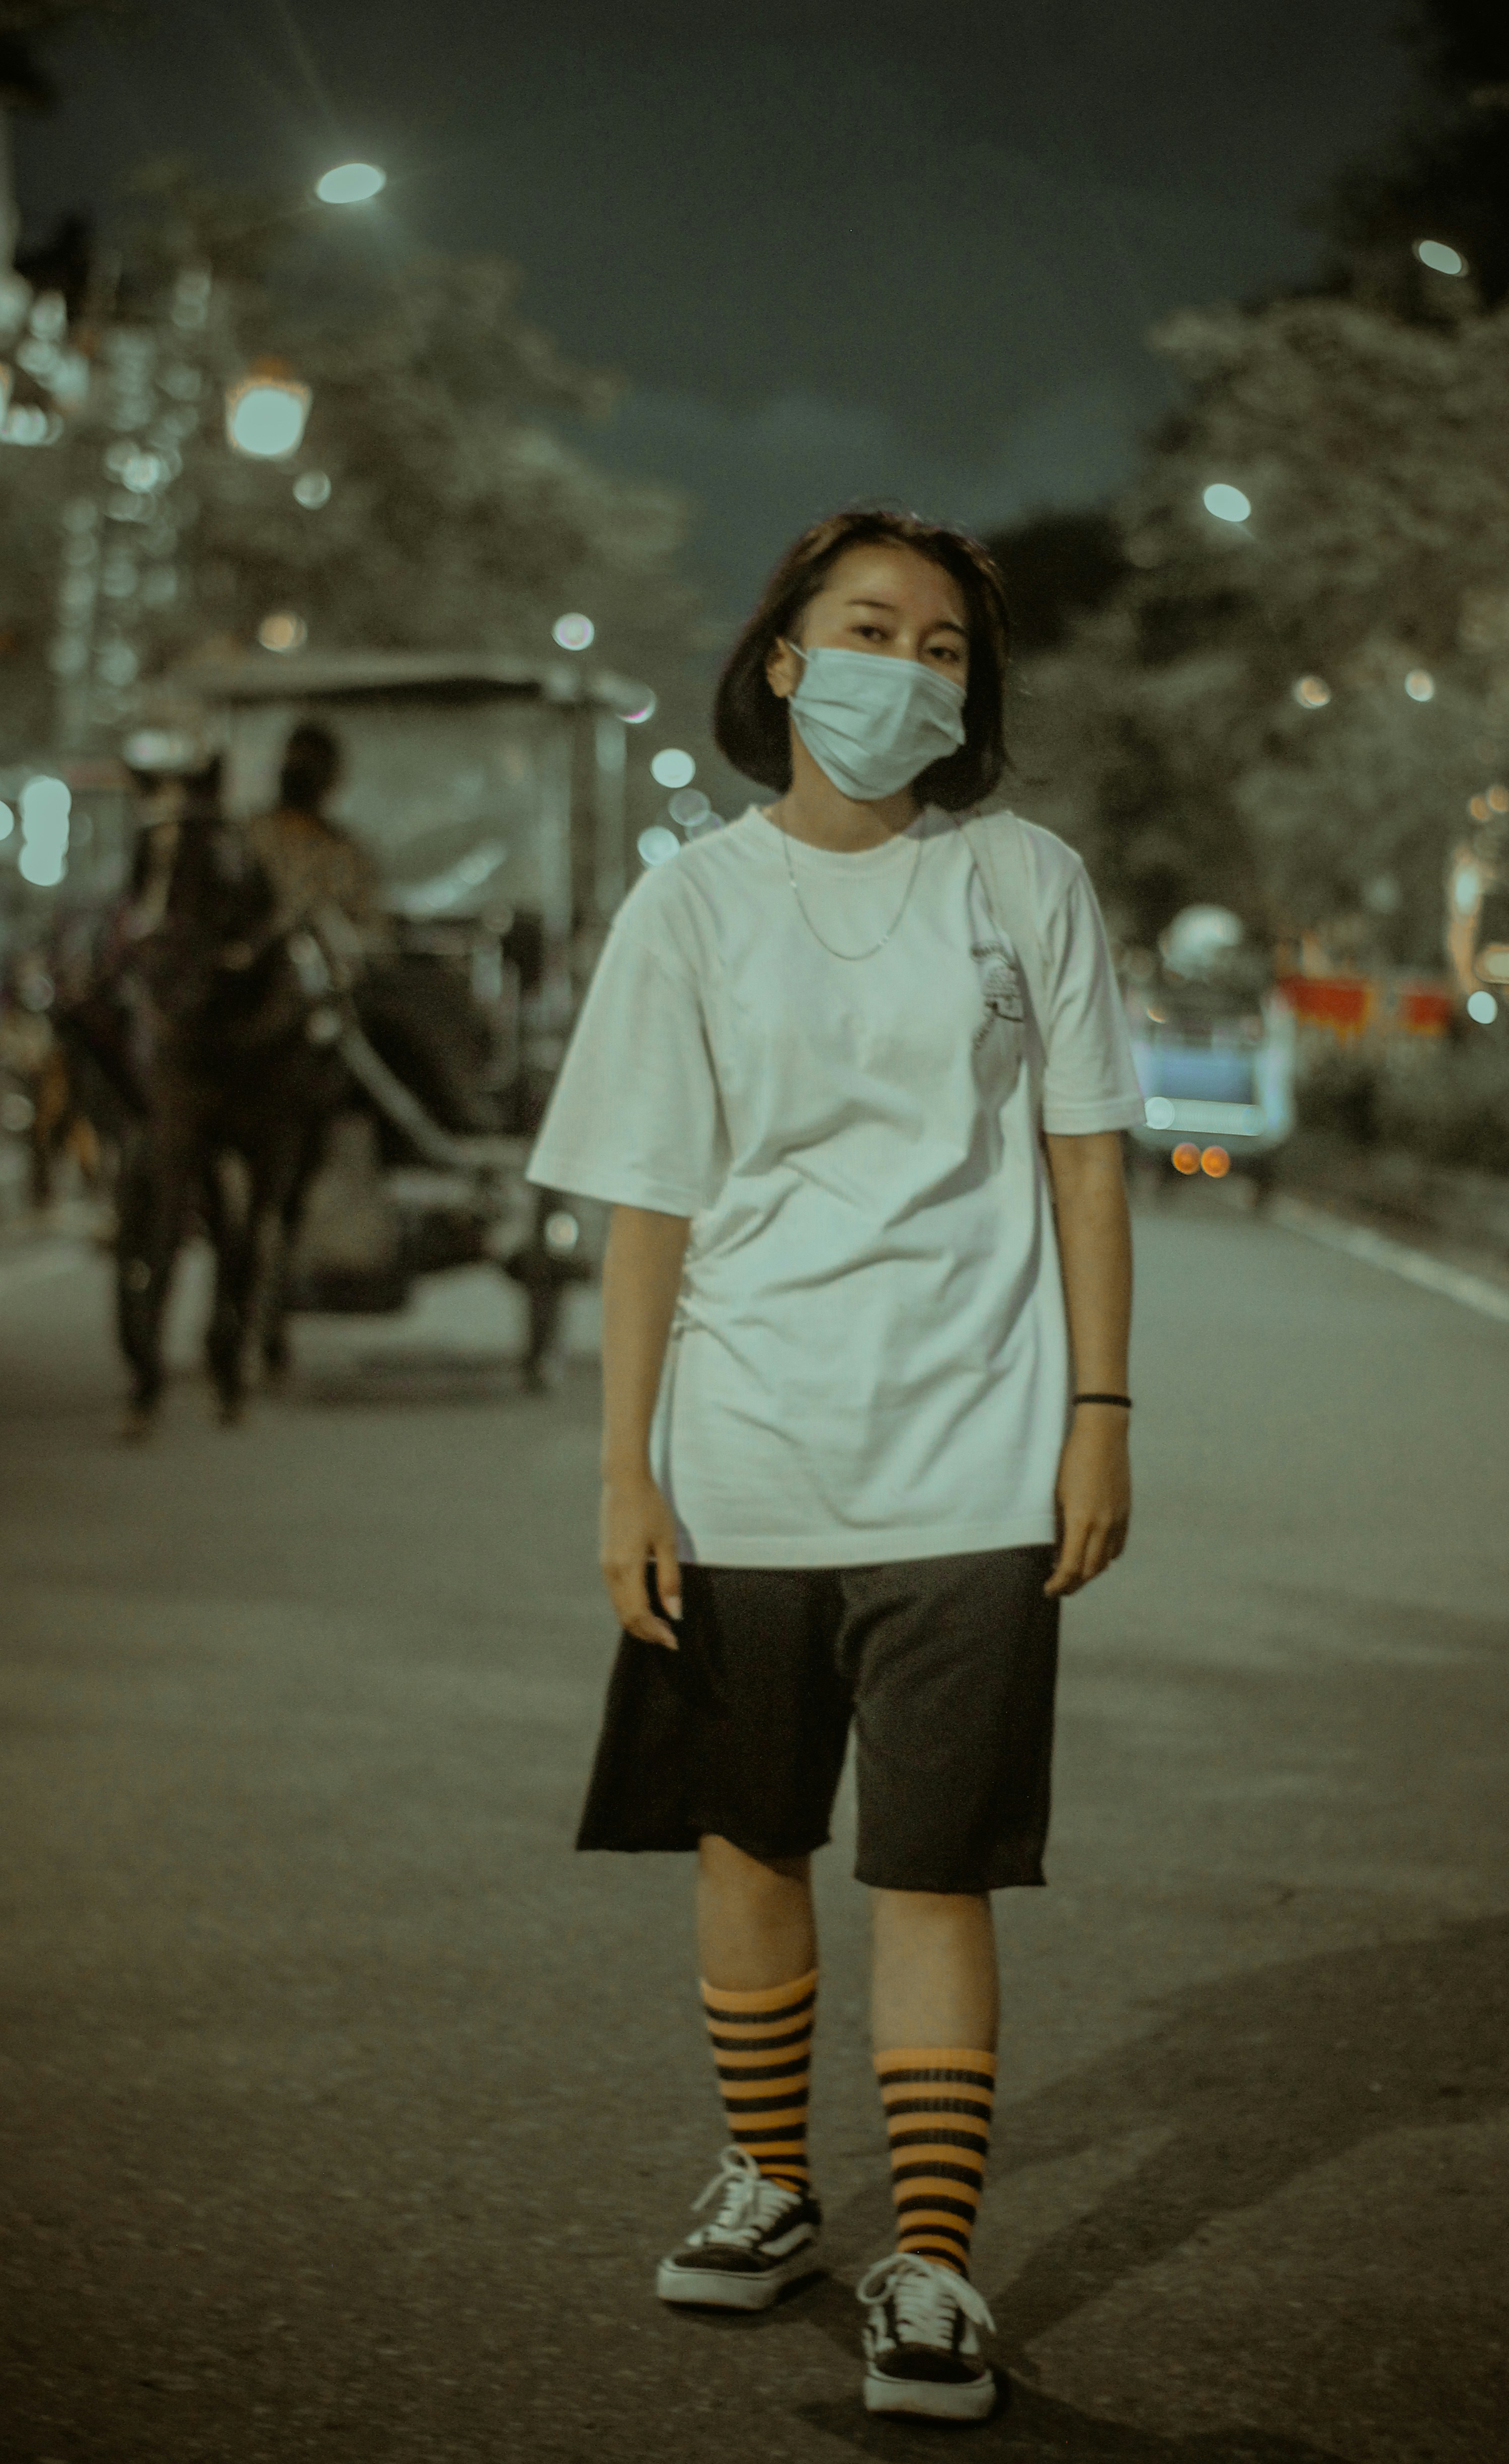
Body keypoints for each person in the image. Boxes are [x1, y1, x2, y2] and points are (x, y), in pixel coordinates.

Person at [526, 508, 1143, 2423]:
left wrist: (1097, 1414)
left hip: (970, 1456)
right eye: (867, 628)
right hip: (746, 1452)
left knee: (933, 1869)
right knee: (746, 1841)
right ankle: (773, 2181)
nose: (906, 667)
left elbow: (1087, 1161)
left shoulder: (1022, 881)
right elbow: (649, 1203)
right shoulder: (690, 905)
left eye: (943, 645)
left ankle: (934, 2267)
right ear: (783, 660)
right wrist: (626, 1472)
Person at [243, 723, 384, 987]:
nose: (299, 771)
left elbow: (370, 935)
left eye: (310, 764)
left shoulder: (346, 855)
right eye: (295, 761)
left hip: (317, 988)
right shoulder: (245, 838)